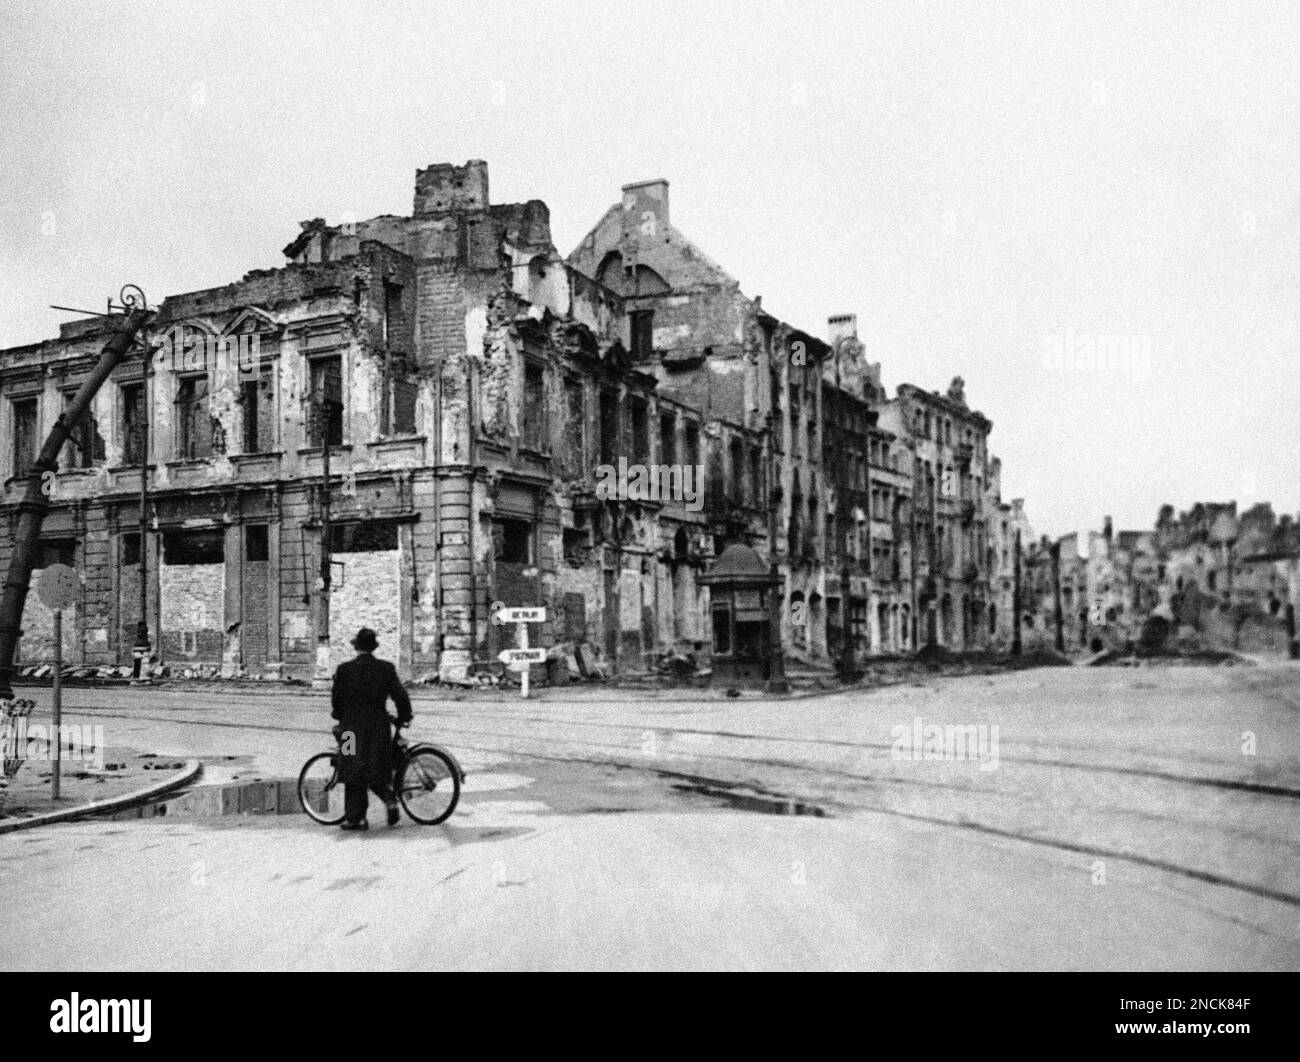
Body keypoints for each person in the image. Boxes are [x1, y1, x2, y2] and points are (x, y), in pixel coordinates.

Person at [330, 627, 413, 831]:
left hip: (349, 729)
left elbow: (336, 701)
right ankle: (390, 800)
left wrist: (340, 717)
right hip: (378, 727)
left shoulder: (344, 670)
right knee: (376, 767)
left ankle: (355, 818)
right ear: (373, 648)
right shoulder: (385, 668)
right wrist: (404, 717)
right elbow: (400, 696)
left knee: (350, 767)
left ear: (356, 647)